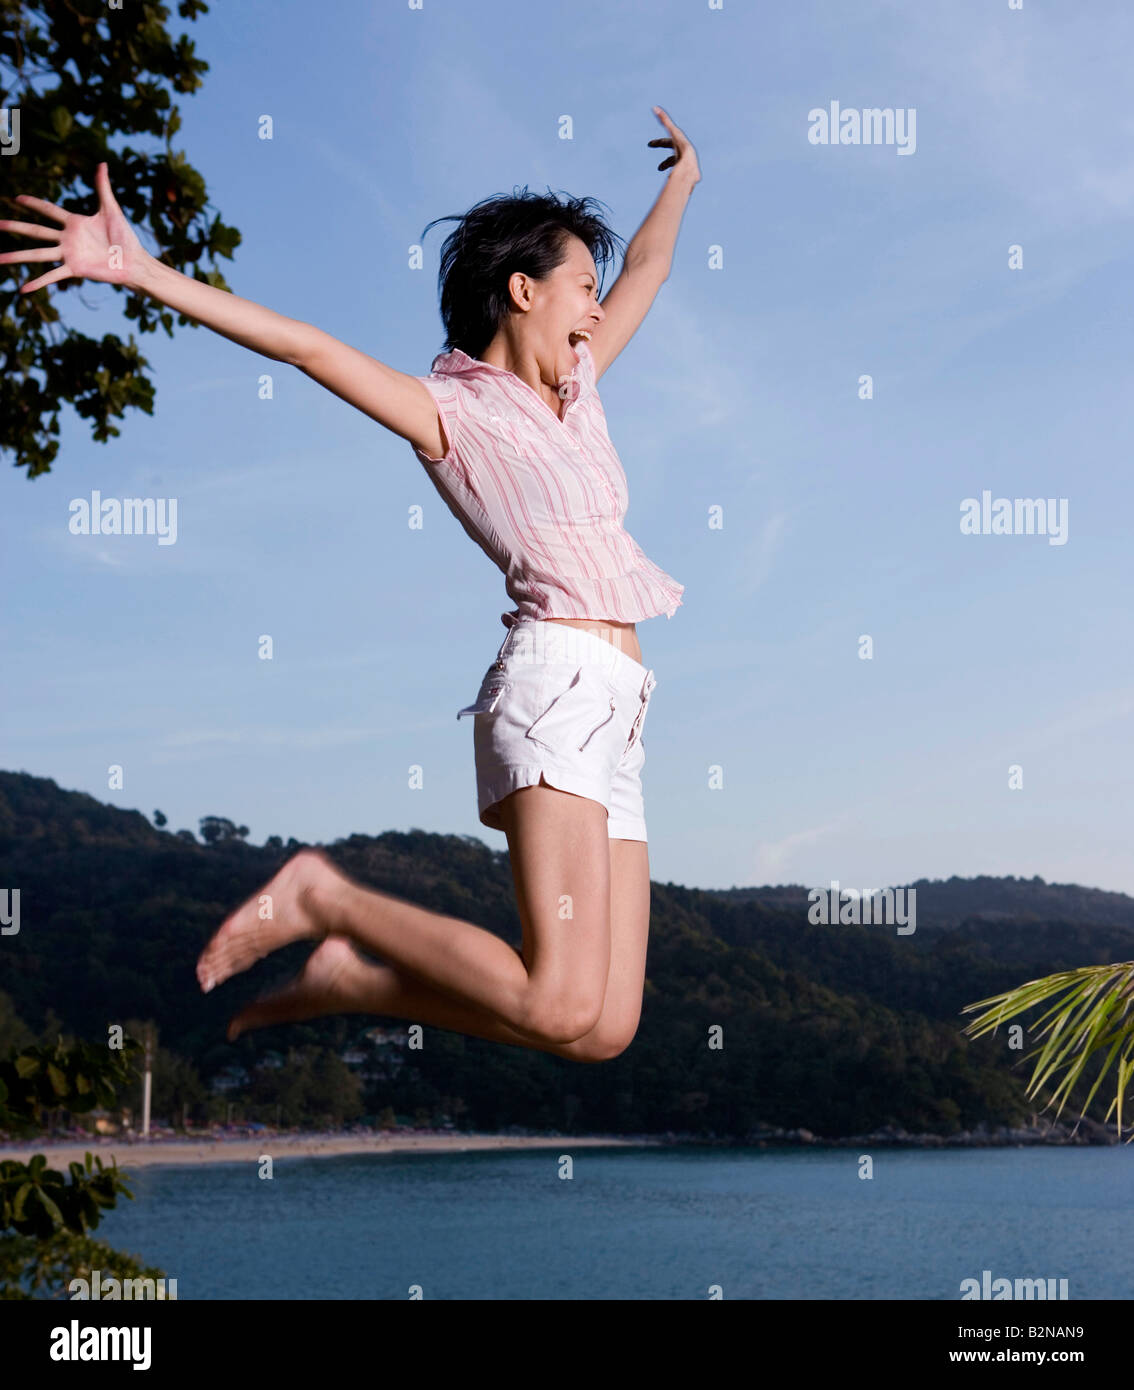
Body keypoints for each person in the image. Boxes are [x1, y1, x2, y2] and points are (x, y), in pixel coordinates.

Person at [0, 106, 700, 1063]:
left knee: (602, 1030)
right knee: (556, 1002)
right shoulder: (451, 411)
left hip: (624, 709)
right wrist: (142, 271)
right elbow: (306, 346)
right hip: (559, 690)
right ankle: (325, 897)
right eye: (584, 287)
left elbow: (649, 268)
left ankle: (356, 980)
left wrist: (683, 178)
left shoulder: (579, 392)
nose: (597, 308)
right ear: (522, 290)